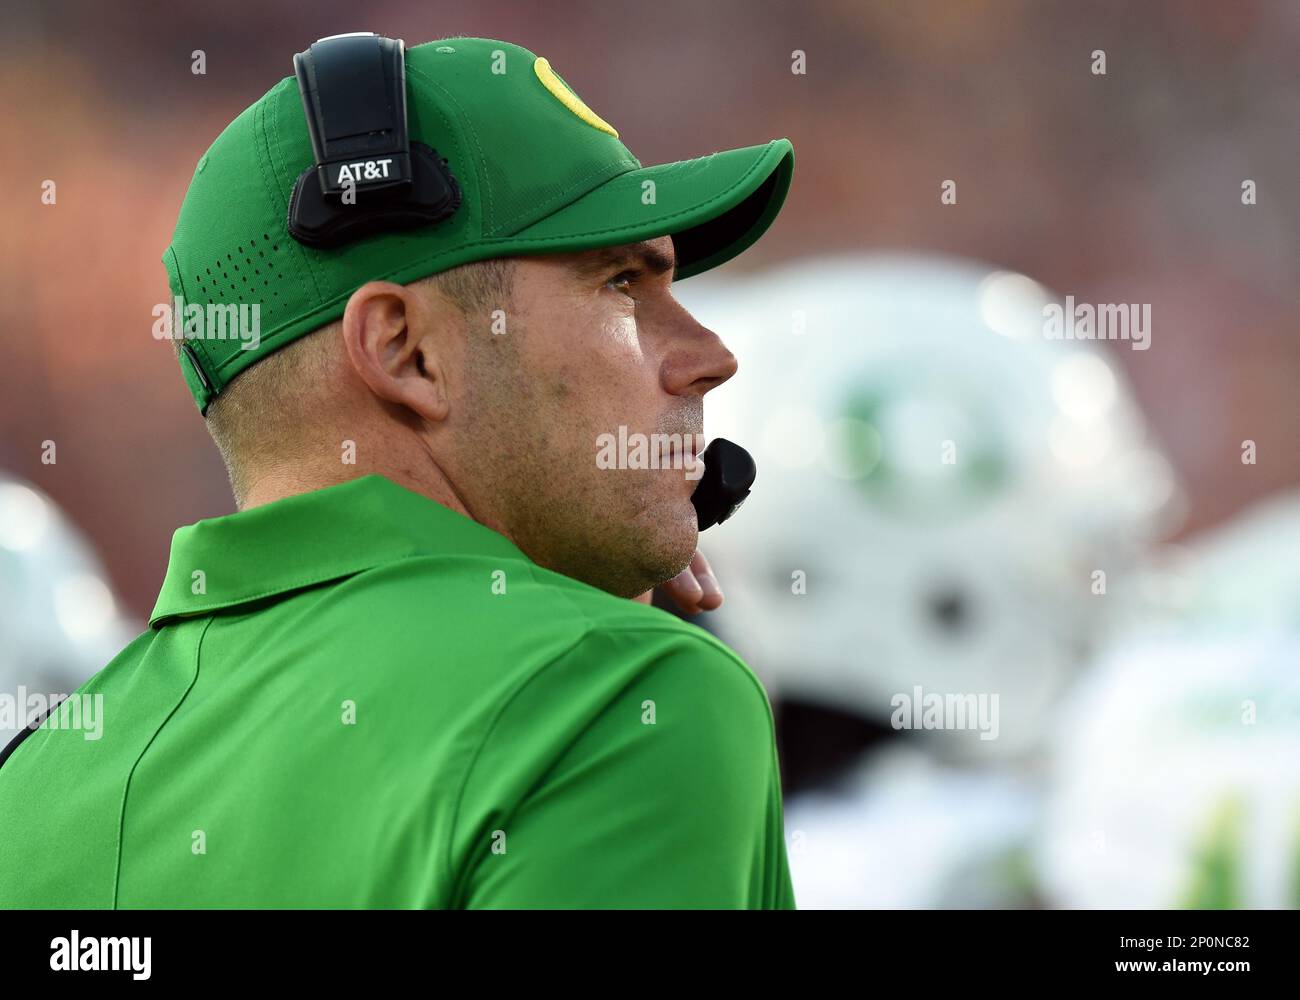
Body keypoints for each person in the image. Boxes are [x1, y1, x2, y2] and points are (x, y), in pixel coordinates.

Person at [0, 33, 797, 909]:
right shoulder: (618, 701)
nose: (710, 355)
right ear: (404, 351)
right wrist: (582, 649)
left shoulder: (32, 780)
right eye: (618, 284)